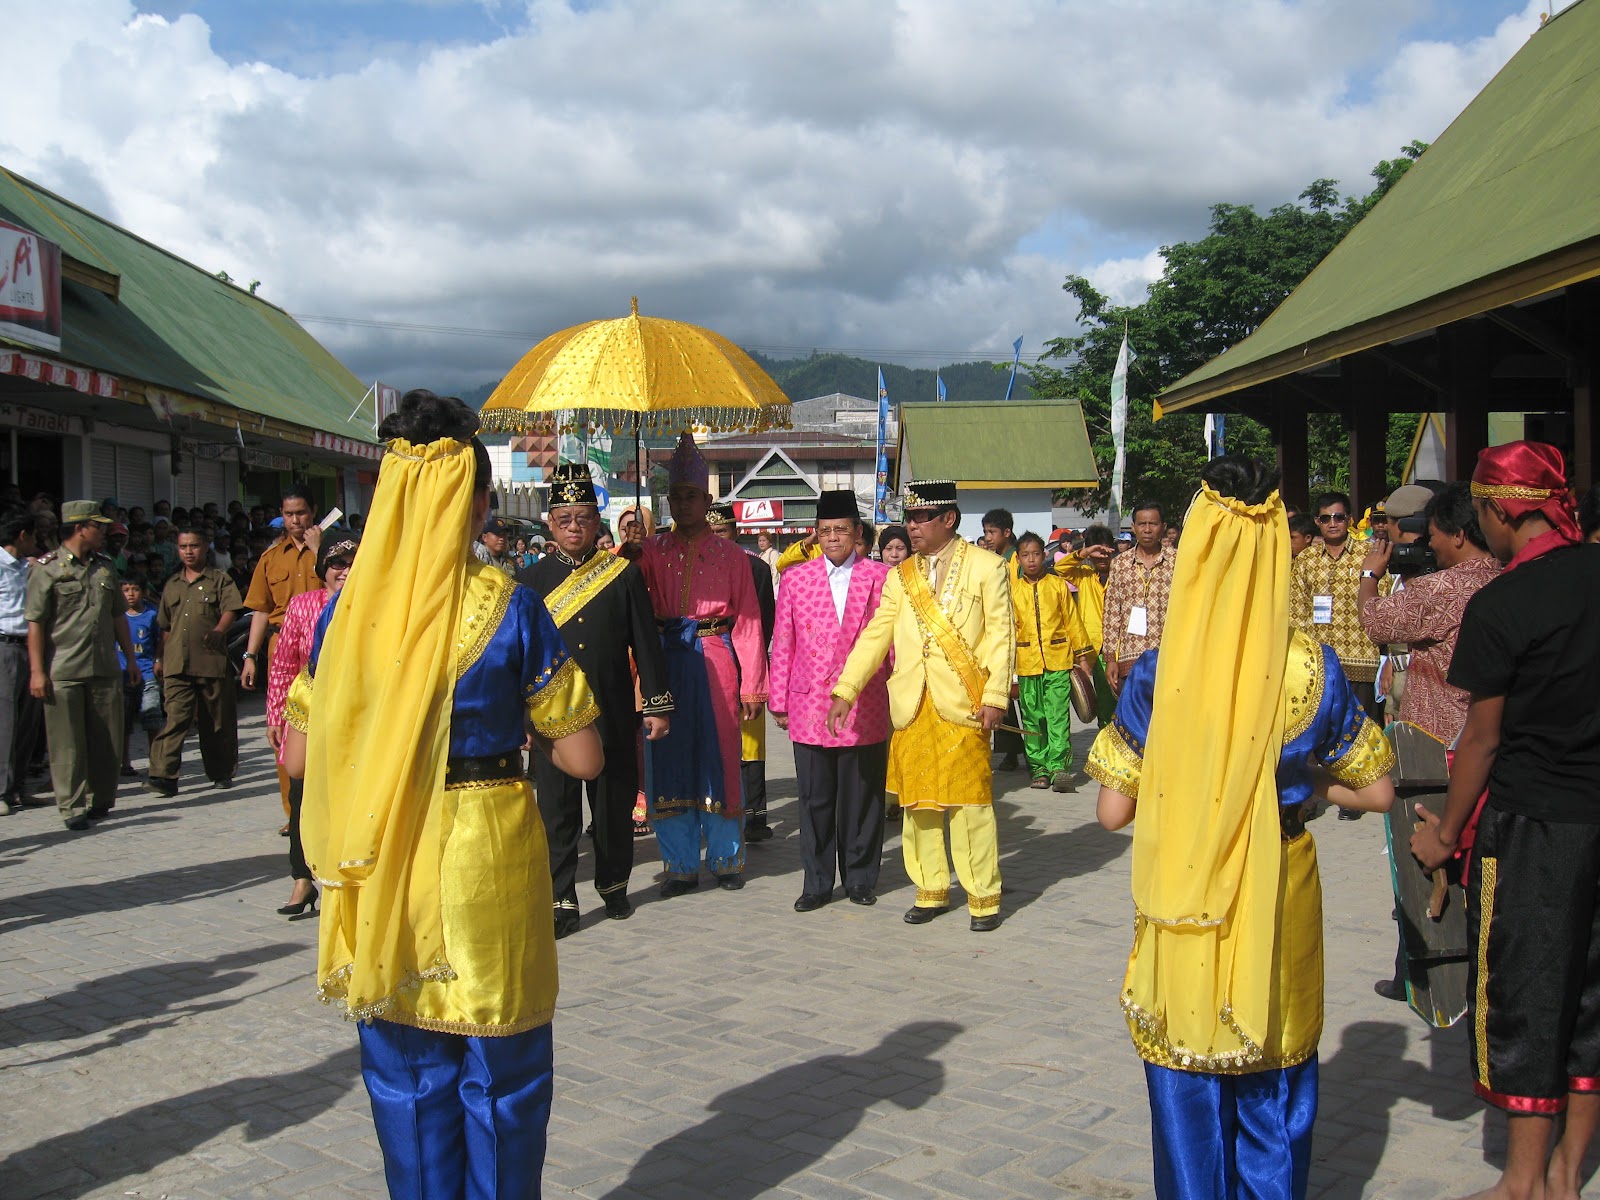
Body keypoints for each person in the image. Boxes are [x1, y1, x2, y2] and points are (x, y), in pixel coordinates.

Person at [282, 389, 603, 1200]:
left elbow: (295, 753)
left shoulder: (346, 613)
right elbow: (583, 759)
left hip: (385, 853)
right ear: (480, 502)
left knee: (405, 1071)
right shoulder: (512, 606)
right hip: (484, 849)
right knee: (503, 1070)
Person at [1088, 456, 1395, 1200]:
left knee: (1188, 1068)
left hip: (1184, 887)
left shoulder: (1160, 670)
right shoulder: (1312, 668)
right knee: (1272, 1071)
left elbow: (1112, 812)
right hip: (1279, 883)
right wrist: (1301, 785)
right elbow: (1380, 792)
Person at [1410, 442, 1600, 1200]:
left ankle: (1520, 1182)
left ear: (1498, 511)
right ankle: (1567, 1173)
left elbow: (1483, 740)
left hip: (1535, 824)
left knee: (1528, 991)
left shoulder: (1502, 603)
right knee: (1592, 992)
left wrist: (1443, 836)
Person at [828, 479, 1014, 933]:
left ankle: (982, 896)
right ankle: (930, 889)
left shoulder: (988, 567)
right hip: (912, 703)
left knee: (970, 803)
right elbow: (877, 634)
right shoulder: (899, 575)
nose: (911, 526)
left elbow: (1001, 635)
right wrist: (846, 690)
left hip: (964, 702)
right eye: (908, 518)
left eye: (920, 518)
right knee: (918, 802)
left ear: (948, 519)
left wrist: (995, 696)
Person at [519, 464, 672, 938]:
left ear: (596, 521)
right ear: (550, 523)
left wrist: (657, 703)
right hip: (552, 716)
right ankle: (561, 897)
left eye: (583, 518)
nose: (574, 527)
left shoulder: (622, 575)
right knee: (557, 811)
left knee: (612, 807)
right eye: (564, 519)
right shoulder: (530, 581)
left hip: (611, 709)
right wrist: (519, 717)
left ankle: (614, 886)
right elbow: (516, 654)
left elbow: (645, 641)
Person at [632, 433, 768, 895]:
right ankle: (680, 865)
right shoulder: (652, 551)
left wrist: (752, 685)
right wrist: (630, 552)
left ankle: (726, 858)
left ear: (707, 501)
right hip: (666, 660)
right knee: (668, 756)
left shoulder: (733, 557)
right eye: (676, 496)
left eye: (691, 496)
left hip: (714, 656)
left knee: (719, 753)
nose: (683, 504)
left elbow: (748, 621)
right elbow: (630, 594)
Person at [769, 491, 892, 910]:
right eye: (825, 531)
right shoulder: (795, 578)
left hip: (865, 700)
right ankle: (817, 882)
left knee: (862, 796)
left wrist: (898, 694)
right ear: (816, 534)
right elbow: (783, 641)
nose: (833, 538)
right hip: (810, 703)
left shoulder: (880, 577)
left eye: (841, 530)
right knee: (815, 797)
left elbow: (891, 645)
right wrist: (779, 700)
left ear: (857, 533)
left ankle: (860, 878)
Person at [25, 500, 143, 830]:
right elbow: (35, 623)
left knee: (107, 738)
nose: (104, 532)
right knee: (67, 742)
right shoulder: (47, 569)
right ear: (80, 528)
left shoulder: (105, 567)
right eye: (98, 526)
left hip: (105, 666)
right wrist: (37, 671)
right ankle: (72, 806)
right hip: (63, 669)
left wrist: (130, 658)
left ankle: (102, 799)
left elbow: (118, 616)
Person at [267, 534, 357, 918]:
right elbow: (285, 662)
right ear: (323, 569)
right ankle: (302, 879)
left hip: (355, 721)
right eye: (337, 564)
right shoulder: (304, 606)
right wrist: (276, 715)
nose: (345, 571)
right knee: (301, 794)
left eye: (353, 562)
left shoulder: (376, 602)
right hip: (309, 715)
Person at [1292, 490, 1389, 820]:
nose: (1331, 523)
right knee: (1311, 729)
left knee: (1355, 730)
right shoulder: (1306, 560)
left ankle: (1354, 797)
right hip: (1318, 662)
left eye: (1338, 517)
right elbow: (1296, 610)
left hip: (1360, 655)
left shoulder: (1368, 555)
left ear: (1349, 520)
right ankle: (1306, 800)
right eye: (1325, 518)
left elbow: (1382, 600)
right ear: (1317, 522)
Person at [241, 486, 322, 830]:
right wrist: (250, 655)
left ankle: (322, 808)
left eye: (301, 513)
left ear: (313, 512)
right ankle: (294, 813)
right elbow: (261, 610)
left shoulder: (333, 552)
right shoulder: (271, 557)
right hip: (283, 650)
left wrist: (319, 552)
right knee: (284, 728)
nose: (295, 520)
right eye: (289, 514)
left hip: (322, 647)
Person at [146, 527, 244, 797]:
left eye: (194, 546)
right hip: (177, 662)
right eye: (183, 547)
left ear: (204, 548)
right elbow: (165, 626)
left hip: (210, 660)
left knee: (216, 721)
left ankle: (221, 772)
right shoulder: (172, 584)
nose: (188, 552)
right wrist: (159, 657)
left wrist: (219, 630)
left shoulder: (219, 580)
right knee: (176, 717)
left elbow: (231, 609)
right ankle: (163, 775)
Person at [707, 501, 778, 842]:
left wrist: (754, 666)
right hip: (710, 666)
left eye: (722, 531)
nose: (716, 537)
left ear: (735, 532)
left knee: (751, 747)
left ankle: (755, 819)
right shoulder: (698, 568)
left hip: (748, 666)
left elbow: (765, 622)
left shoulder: (756, 569)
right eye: (711, 532)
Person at [1011, 532, 1094, 792]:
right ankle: (1039, 768)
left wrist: (1083, 656)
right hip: (1026, 663)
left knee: (1057, 715)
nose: (1031, 560)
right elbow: (1008, 630)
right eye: (1026, 555)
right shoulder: (1013, 592)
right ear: (1018, 559)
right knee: (1032, 717)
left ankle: (1059, 768)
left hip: (1058, 660)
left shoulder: (1058, 586)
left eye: (1036, 554)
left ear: (1044, 555)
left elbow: (1072, 621)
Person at [1101, 502, 1176, 695]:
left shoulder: (1177, 561)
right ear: (1133, 527)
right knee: (1133, 712)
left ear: (1163, 527)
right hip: (1130, 659)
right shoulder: (1120, 564)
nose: (1147, 530)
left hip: (1169, 656)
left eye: (1153, 524)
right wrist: (1110, 659)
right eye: (1142, 524)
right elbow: (1111, 613)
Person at [1049, 524, 1116, 727]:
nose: (1102, 557)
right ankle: (1106, 738)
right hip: (1095, 647)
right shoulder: (1085, 575)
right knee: (1104, 699)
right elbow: (1061, 568)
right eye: (1097, 553)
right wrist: (1085, 552)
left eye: (1105, 552)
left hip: (1119, 646)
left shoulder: (1121, 573)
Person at [0, 512, 43, 813]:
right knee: (5, 721)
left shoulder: (29, 568)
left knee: (29, 721)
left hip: (31, 647)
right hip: (6, 646)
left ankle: (19, 786)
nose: (36, 543)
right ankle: (1, 791)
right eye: (34, 536)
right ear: (22, 535)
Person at [117, 578, 162, 776]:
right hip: (122, 674)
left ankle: (156, 762)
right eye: (126, 590)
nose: (130, 594)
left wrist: (159, 660)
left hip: (147, 673)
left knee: (152, 718)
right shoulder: (117, 616)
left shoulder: (151, 615)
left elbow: (161, 639)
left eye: (135, 589)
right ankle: (124, 762)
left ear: (144, 592)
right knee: (123, 722)